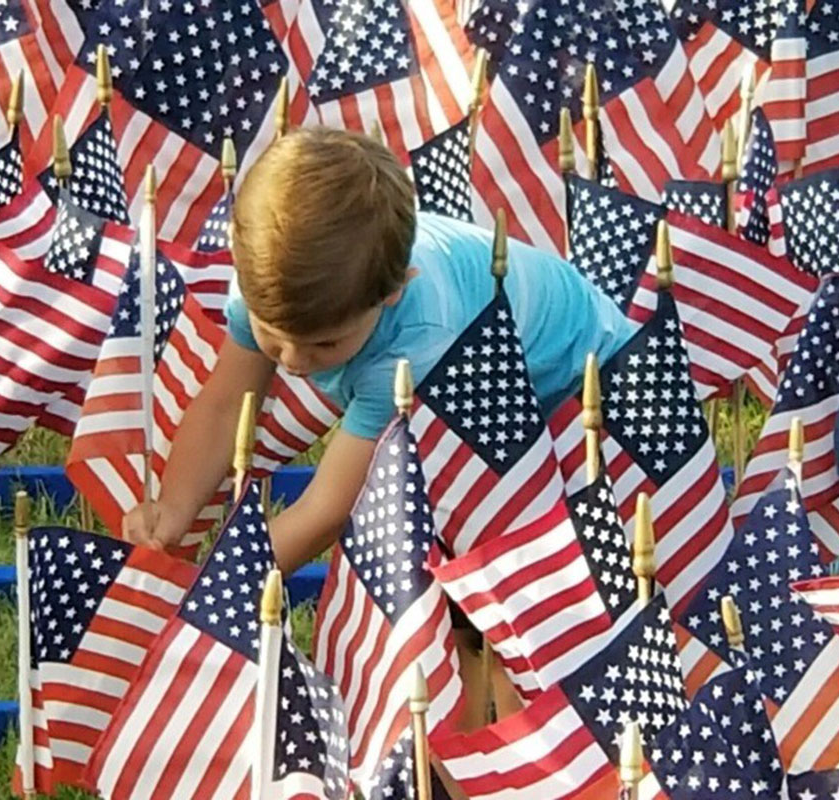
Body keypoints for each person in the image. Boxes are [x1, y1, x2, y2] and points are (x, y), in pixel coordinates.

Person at [121, 127, 635, 727]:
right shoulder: (272, 279)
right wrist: (176, 512)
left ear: (393, 294)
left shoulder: (414, 343)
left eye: (321, 344)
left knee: (513, 608)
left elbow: (329, 507)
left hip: (582, 399)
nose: (289, 359)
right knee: (446, 588)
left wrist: (213, 590)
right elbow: (225, 400)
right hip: (473, 406)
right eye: (271, 335)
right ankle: (458, 743)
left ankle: (508, 749)